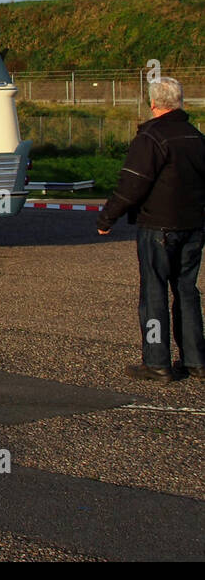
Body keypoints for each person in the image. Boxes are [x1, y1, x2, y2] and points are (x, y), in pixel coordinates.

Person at [97, 77, 205, 382]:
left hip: (157, 226)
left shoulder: (151, 138)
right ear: (180, 101)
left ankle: (157, 360)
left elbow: (132, 184)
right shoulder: (197, 137)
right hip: (193, 226)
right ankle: (196, 360)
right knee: (186, 290)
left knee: (154, 291)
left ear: (153, 103)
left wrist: (107, 218)